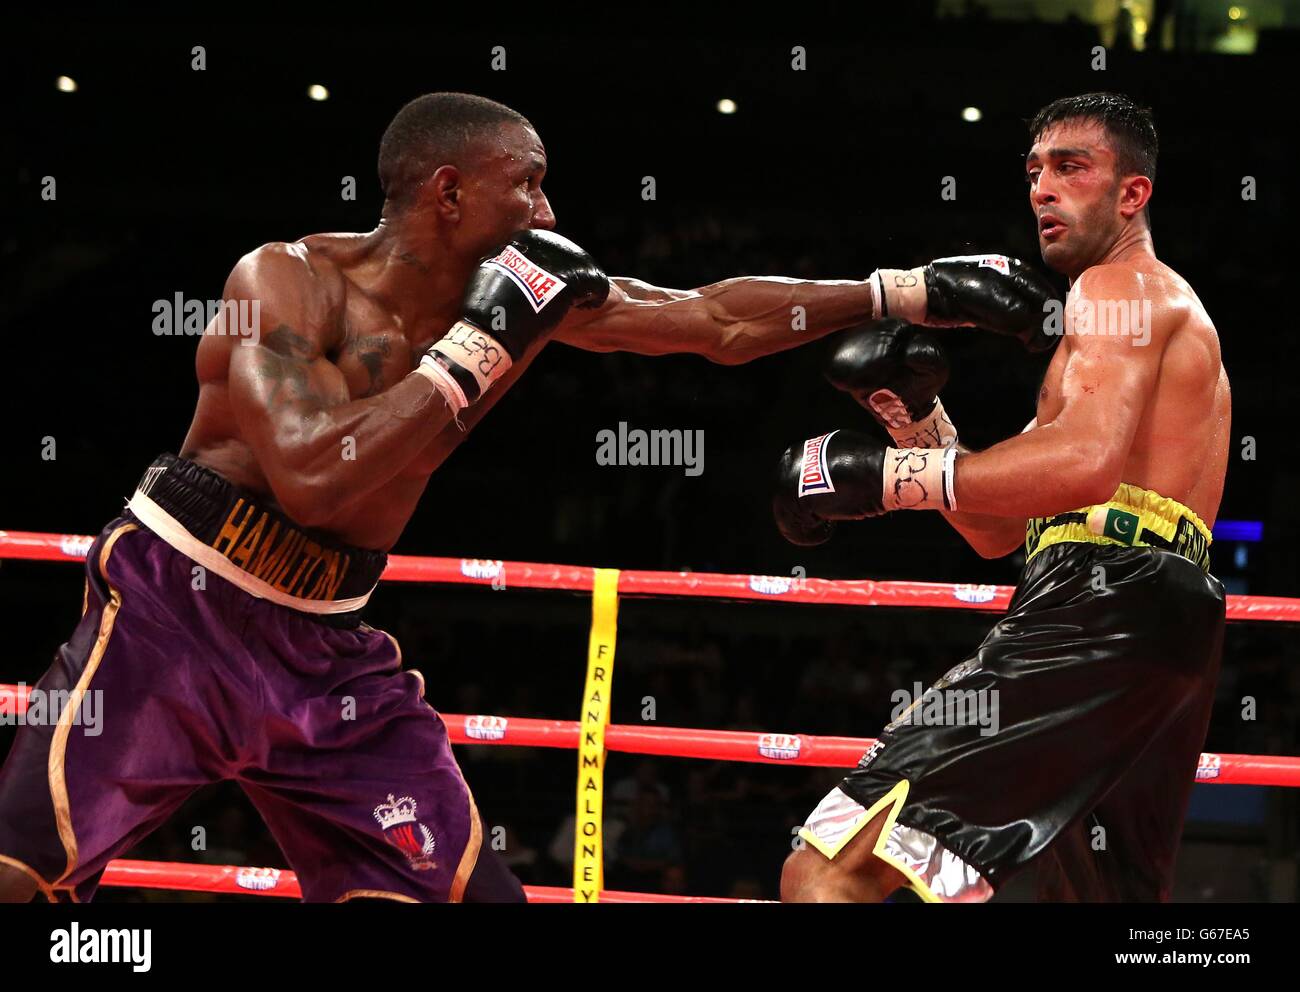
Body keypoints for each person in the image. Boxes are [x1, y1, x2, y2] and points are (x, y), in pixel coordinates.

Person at [0, 91, 1051, 904]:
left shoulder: (521, 297)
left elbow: (710, 321)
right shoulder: (283, 282)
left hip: (328, 649)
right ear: (448, 191)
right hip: (179, 612)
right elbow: (318, 472)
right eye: (529, 187)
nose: (547, 212)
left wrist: (901, 288)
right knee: (23, 864)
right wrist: (481, 344)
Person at [775, 92, 1230, 902]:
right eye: (1033, 172)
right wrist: (917, 421)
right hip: (1157, 612)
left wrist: (882, 481)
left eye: (1070, 167)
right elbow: (1000, 532)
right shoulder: (1123, 322)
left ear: (1133, 193)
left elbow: (1084, 465)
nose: (1042, 189)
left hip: (1102, 600)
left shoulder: (1121, 291)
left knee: (827, 870)